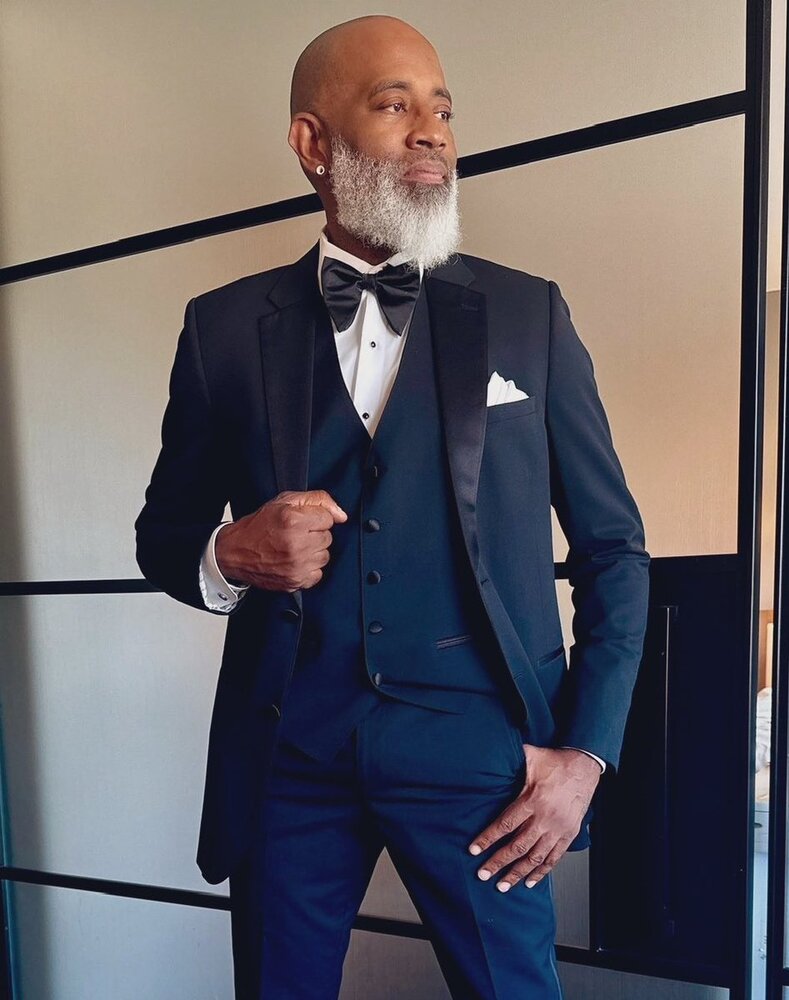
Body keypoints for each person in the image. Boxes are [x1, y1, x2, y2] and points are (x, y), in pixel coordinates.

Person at [135, 14, 650, 999]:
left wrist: (584, 753)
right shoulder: (224, 330)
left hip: (483, 754)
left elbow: (614, 550)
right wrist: (229, 552)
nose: (432, 132)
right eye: (394, 104)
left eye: (443, 110)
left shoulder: (528, 314)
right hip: (289, 754)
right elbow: (165, 537)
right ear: (312, 143)